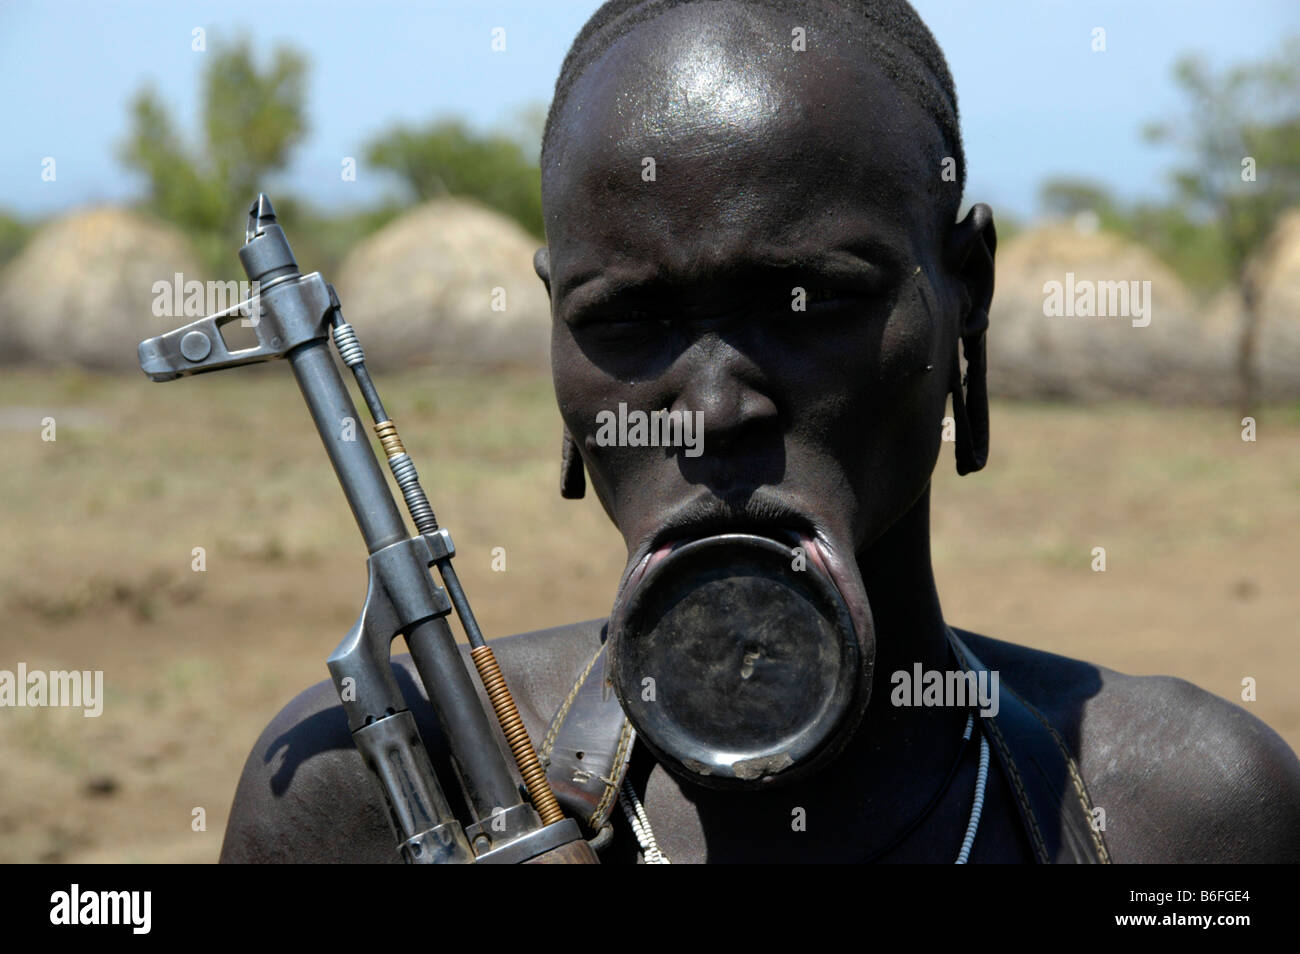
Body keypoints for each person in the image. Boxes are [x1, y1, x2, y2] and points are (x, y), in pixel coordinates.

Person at [220, 0, 1300, 863]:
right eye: (627, 321)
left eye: (808, 301)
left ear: (962, 294)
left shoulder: (1178, 816)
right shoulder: (378, 790)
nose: (715, 407)